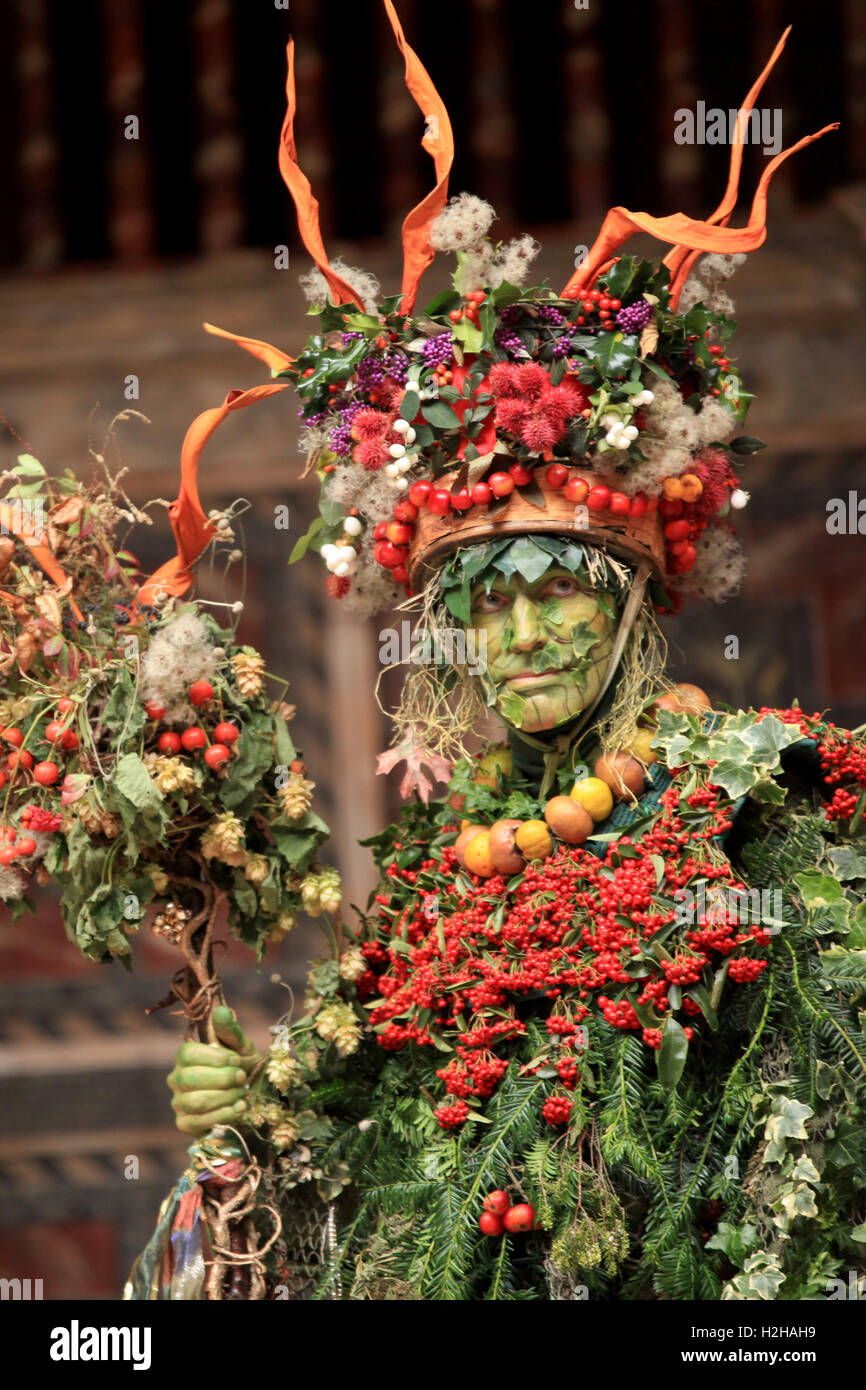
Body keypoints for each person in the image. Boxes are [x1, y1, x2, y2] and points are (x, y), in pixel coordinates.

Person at [129, 10, 866, 1300]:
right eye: (481, 605)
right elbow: (383, 1175)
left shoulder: (765, 813)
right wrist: (256, 1116)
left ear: (637, 593)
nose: (516, 639)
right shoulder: (435, 883)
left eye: (554, 592)